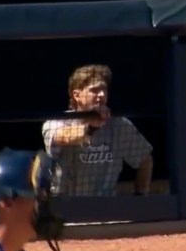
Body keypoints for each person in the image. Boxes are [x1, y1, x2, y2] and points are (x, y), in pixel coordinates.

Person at [41, 65, 153, 197]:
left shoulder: (119, 124)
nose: (101, 95)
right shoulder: (56, 122)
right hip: (66, 207)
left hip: (105, 208)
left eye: (104, 89)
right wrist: (91, 127)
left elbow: (145, 160)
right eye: (94, 90)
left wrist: (140, 198)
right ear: (76, 95)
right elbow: (63, 137)